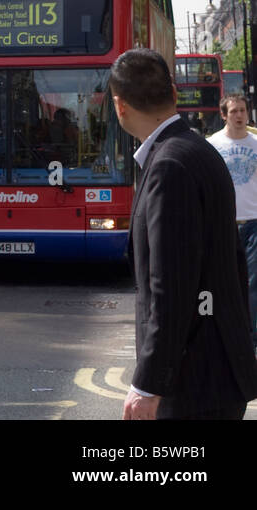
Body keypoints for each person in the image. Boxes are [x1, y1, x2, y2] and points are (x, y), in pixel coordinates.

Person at [110, 49, 257, 419]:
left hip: (192, 382)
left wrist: (148, 384)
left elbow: (170, 287)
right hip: (216, 372)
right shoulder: (198, 150)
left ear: (120, 105)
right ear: (173, 94)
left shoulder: (169, 166)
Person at [208, 92, 257, 349]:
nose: (239, 115)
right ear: (224, 115)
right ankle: (224, 334)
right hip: (225, 224)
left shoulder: (256, 143)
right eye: (234, 111)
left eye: (243, 110)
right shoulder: (213, 146)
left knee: (252, 284)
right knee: (224, 282)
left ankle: (251, 340)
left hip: (254, 223)